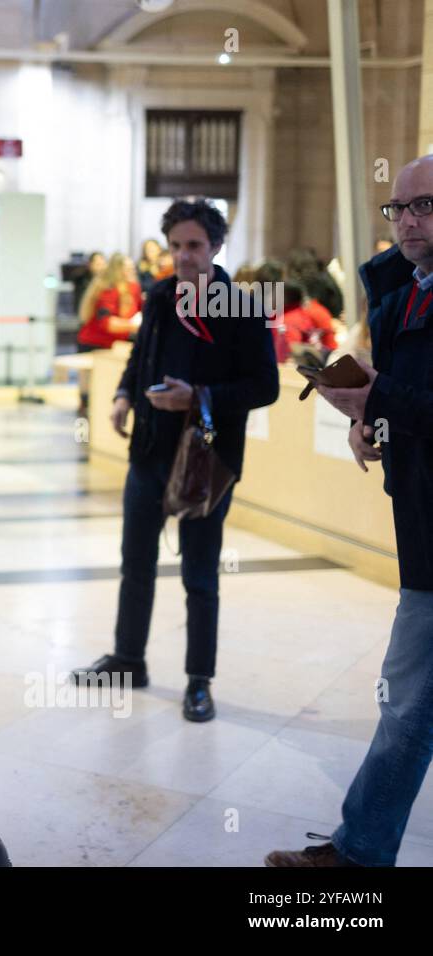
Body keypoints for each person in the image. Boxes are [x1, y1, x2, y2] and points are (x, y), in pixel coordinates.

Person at [267, 156, 433, 866]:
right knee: (409, 704)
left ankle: (360, 852)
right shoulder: (404, 299)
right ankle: (362, 848)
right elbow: (397, 392)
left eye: (424, 206)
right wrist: (368, 419)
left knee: (405, 703)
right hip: (424, 529)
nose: (408, 223)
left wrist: (383, 401)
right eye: (399, 209)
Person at [72, 200, 279, 722]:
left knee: (200, 574)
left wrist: (198, 397)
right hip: (149, 453)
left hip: (207, 461)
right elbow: (140, 356)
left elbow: (265, 387)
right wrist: (122, 395)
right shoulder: (162, 296)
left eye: (194, 246)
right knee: (134, 563)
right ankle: (128, 659)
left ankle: (198, 681)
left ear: (215, 247)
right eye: (176, 246)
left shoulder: (243, 305)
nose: (184, 256)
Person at [76, 252, 142, 351]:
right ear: (118, 270)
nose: (132, 272)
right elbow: (107, 323)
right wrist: (134, 326)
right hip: (95, 344)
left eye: (132, 268)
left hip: (116, 345)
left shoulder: (134, 288)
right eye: (127, 269)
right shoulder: (107, 289)